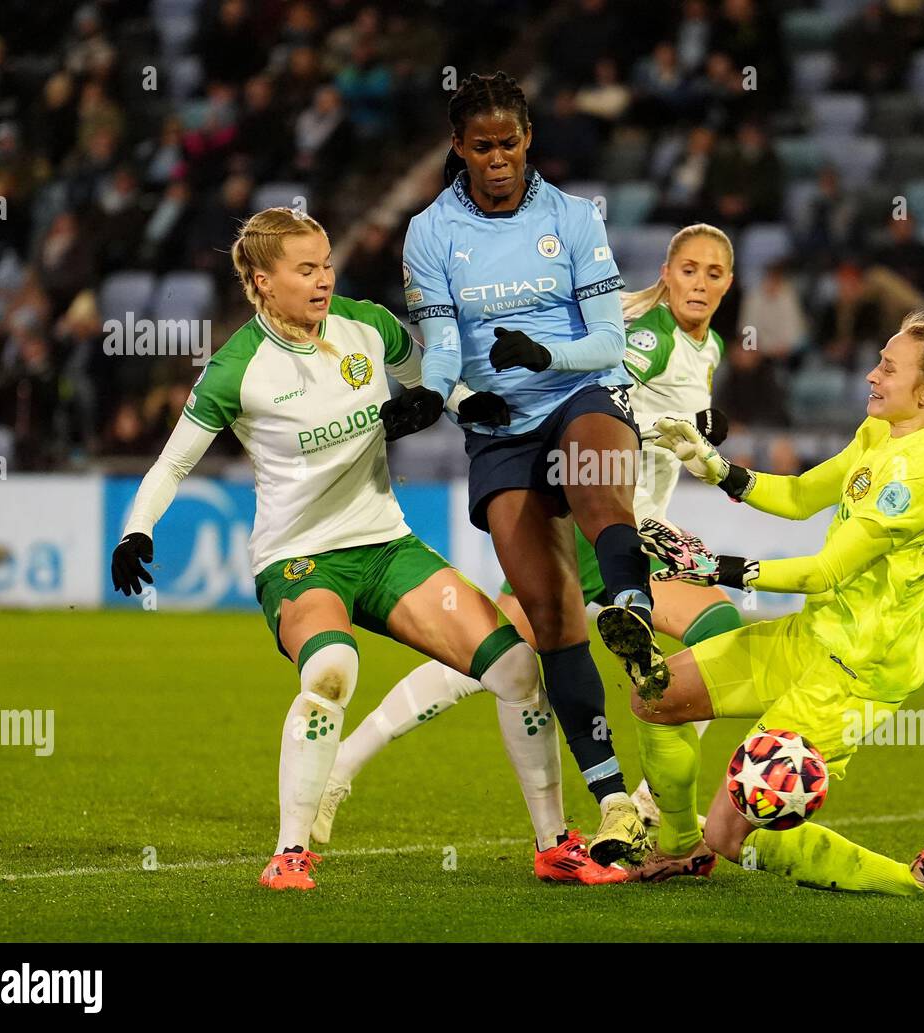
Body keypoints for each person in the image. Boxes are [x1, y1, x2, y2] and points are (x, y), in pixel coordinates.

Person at [109, 207, 624, 890]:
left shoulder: (367, 326)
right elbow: (173, 465)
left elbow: (434, 378)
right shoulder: (238, 368)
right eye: (305, 269)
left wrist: (463, 403)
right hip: (299, 560)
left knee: (516, 669)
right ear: (263, 281)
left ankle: (555, 843)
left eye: (326, 263)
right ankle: (290, 853)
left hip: (386, 547)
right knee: (332, 668)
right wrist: (135, 528)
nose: (324, 279)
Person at [313, 223, 746, 840]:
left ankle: (341, 768)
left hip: (613, 524)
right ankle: (652, 803)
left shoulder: (710, 346)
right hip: (612, 526)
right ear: (666, 273)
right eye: (688, 269)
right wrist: (684, 425)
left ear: (729, 282)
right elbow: (599, 401)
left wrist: (703, 451)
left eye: (712, 273)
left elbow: (661, 437)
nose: (699, 283)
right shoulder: (649, 338)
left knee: (490, 653)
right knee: (720, 628)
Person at [613, 306, 924, 896]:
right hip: (812, 636)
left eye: (888, 367)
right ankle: (677, 847)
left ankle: (918, 881)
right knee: (656, 697)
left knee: (729, 834)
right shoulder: (881, 432)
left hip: (857, 670)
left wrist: (711, 567)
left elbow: (825, 571)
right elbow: (800, 496)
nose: (872, 375)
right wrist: (716, 468)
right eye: (878, 360)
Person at [393, 71, 659, 864]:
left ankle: (635, 607)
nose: (498, 159)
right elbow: (442, 347)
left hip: (579, 389)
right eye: (482, 147)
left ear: (529, 138)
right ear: (459, 148)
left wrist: (547, 350)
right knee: (547, 615)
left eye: (509, 143)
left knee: (593, 478)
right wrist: (432, 399)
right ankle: (612, 800)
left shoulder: (574, 219)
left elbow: (610, 339)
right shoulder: (430, 233)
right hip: (502, 428)